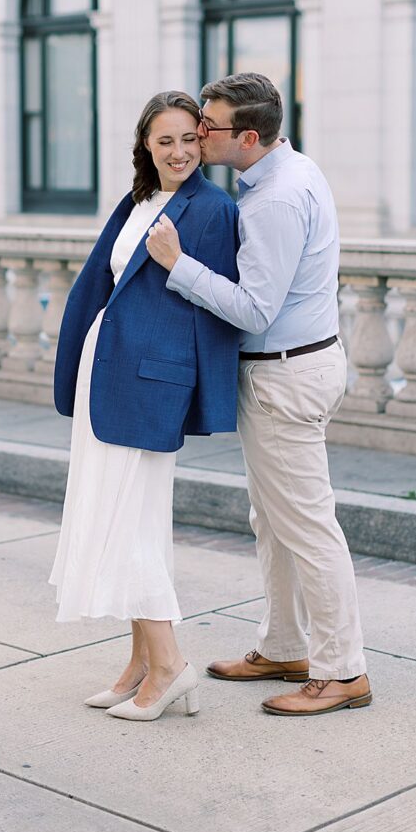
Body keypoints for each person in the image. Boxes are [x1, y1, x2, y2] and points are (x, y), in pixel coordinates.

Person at [145, 71, 371, 717]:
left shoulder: (273, 199)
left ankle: (341, 670)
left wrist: (177, 265)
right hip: (295, 366)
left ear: (248, 136)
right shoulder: (290, 169)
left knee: (306, 526)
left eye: (209, 127)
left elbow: (252, 308)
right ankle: (282, 645)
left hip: (285, 374)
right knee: (273, 520)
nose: (198, 133)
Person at [49, 90, 241, 722]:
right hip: (104, 377)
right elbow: (97, 285)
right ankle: (138, 664)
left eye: (191, 138)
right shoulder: (137, 202)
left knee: (132, 527)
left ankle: (170, 667)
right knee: (118, 518)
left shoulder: (214, 210)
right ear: (146, 145)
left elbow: (220, 314)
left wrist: (178, 261)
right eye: (166, 140)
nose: (180, 151)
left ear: (205, 141)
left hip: (153, 386)